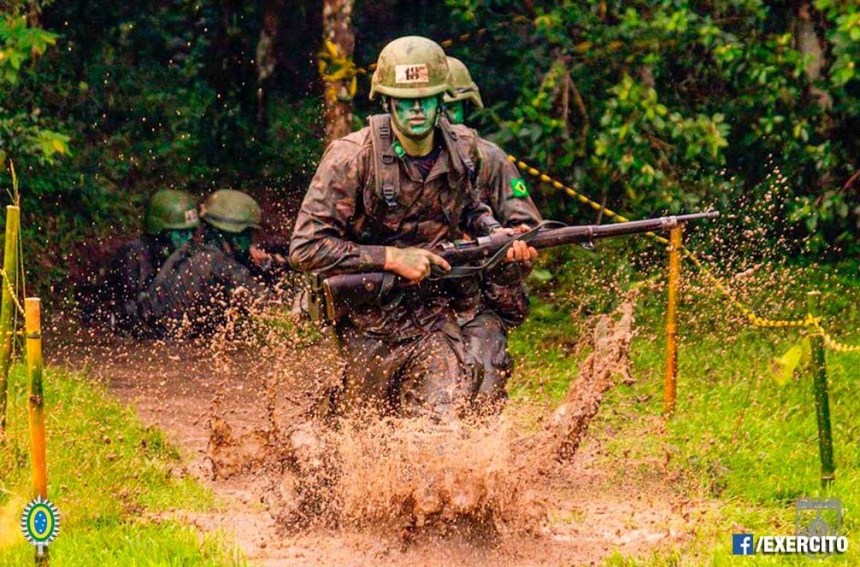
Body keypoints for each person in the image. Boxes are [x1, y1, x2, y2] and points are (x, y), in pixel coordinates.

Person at [289, 36, 536, 419]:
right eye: (405, 100)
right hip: (369, 318)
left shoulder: (463, 151)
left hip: (433, 312)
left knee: (440, 414)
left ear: (443, 99)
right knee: (362, 426)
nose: (416, 108)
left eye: (426, 98)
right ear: (387, 102)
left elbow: (471, 206)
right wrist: (391, 258)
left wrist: (499, 235)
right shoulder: (352, 158)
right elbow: (306, 248)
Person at [443, 56, 543, 411]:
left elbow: (526, 226)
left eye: (452, 109)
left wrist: (512, 247)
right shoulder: (385, 163)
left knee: (482, 391)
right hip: (408, 301)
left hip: (477, 300)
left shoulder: (489, 159)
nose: (444, 119)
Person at [144, 189, 271, 338]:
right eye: (249, 235)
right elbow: (270, 311)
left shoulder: (187, 254)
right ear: (236, 237)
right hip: (175, 350)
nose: (251, 242)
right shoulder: (218, 264)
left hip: (158, 343)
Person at [76, 189, 199, 337]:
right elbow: (141, 311)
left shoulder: (177, 255)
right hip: (112, 327)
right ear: (161, 232)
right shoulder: (135, 255)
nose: (189, 239)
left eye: (192, 232)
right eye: (182, 233)